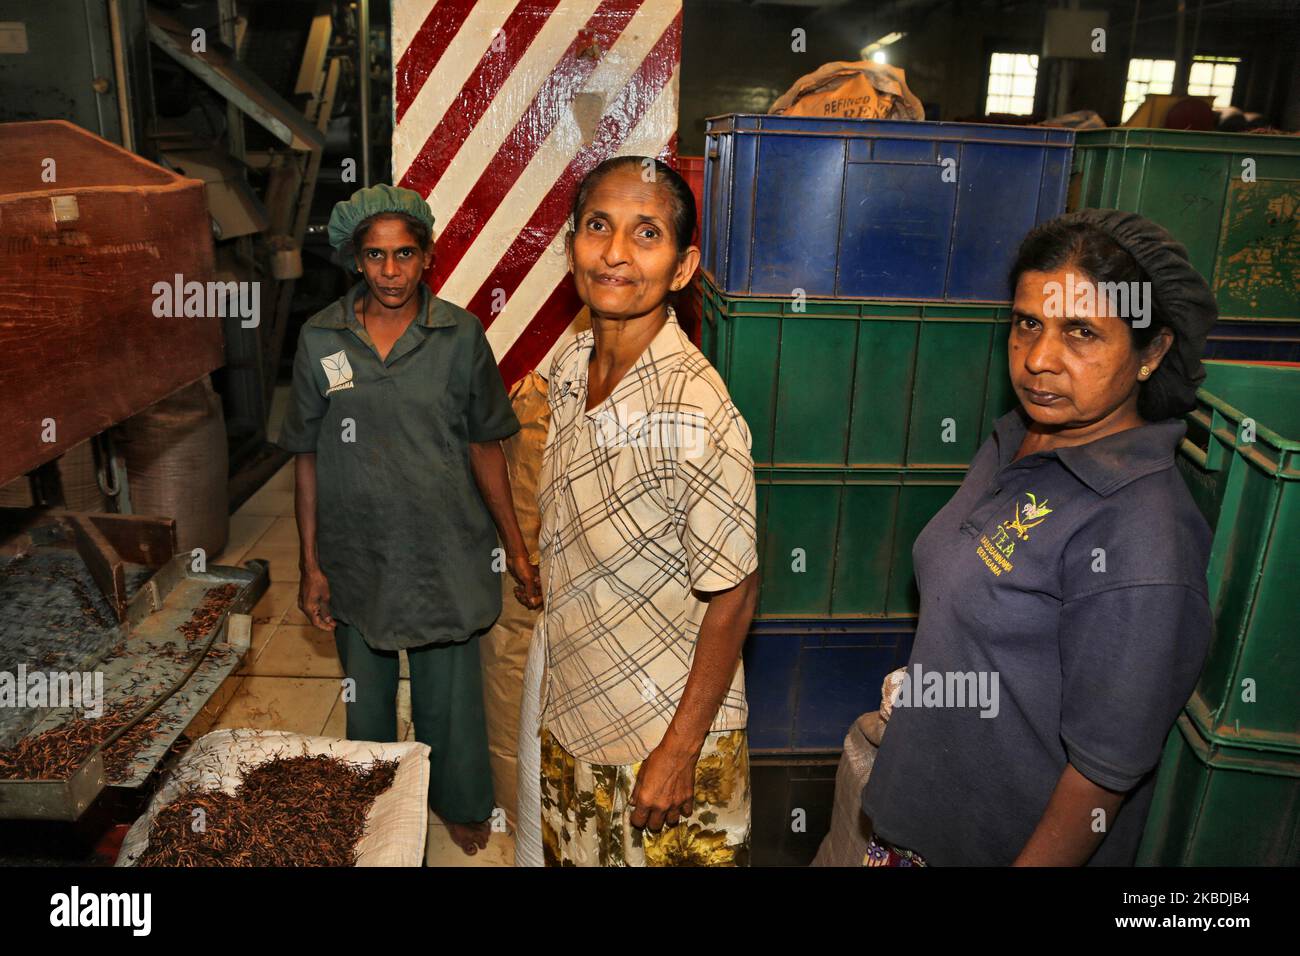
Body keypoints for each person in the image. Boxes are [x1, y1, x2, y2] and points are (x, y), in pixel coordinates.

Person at [861, 209, 1219, 866]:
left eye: (1081, 333)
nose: (1039, 359)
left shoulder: (1140, 535)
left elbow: (1101, 779)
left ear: (1153, 352)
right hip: (914, 830)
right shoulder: (1017, 440)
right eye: (1028, 323)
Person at [277, 184, 542, 856]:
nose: (390, 272)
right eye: (375, 256)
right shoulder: (320, 340)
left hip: (445, 548)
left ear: (426, 257)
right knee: (364, 700)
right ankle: (375, 810)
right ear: (355, 261)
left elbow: (486, 443)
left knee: (449, 694)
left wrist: (513, 544)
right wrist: (310, 564)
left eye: (404, 255)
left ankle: (457, 801)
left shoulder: (459, 336)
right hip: (356, 551)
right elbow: (305, 455)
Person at [533, 156, 760, 866]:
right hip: (576, 711)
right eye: (599, 226)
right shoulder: (571, 365)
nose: (616, 253)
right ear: (572, 244)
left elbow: (736, 591)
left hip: (660, 739)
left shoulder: (697, 412)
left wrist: (678, 751)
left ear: (684, 266)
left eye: (647, 234)